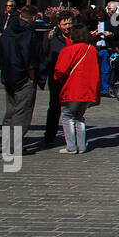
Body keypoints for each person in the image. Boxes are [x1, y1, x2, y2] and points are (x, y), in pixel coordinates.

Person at [0, 5, 42, 147]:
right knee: (22, 113)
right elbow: (30, 58)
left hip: (8, 75)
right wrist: (32, 77)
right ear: (33, 18)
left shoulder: (8, 31)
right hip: (23, 77)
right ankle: (12, 145)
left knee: (11, 111)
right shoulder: (29, 33)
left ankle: (5, 141)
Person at [53, 23, 101, 154]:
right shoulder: (92, 50)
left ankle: (71, 146)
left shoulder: (68, 50)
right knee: (79, 117)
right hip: (88, 90)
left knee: (67, 116)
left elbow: (60, 70)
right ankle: (82, 145)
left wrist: (57, 78)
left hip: (72, 88)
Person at [39, 9, 75, 148]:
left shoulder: (76, 37)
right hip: (57, 77)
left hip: (72, 78)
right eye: (65, 24)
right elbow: (45, 56)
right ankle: (50, 135)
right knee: (54, 107)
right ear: (59, 25)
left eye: (70, 24)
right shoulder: (52, 37)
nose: (67, 27)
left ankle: (71, 136)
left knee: (72, 108)